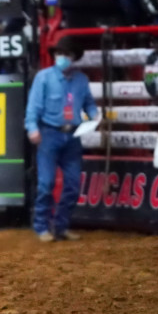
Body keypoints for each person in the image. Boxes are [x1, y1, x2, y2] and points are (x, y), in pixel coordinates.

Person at [25, 36, 98, 242]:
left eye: (66, 54)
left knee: (73, 185)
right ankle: (42, 226)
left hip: (72, 135)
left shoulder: (81, 80)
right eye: (59, 54)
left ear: (73, 57)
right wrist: (32, 128)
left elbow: (89, 103)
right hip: (49, 133)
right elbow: (33, 107)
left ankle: (60, 226)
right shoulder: (44, 78)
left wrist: (94, 113)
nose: (62, 58)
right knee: (46, 183)